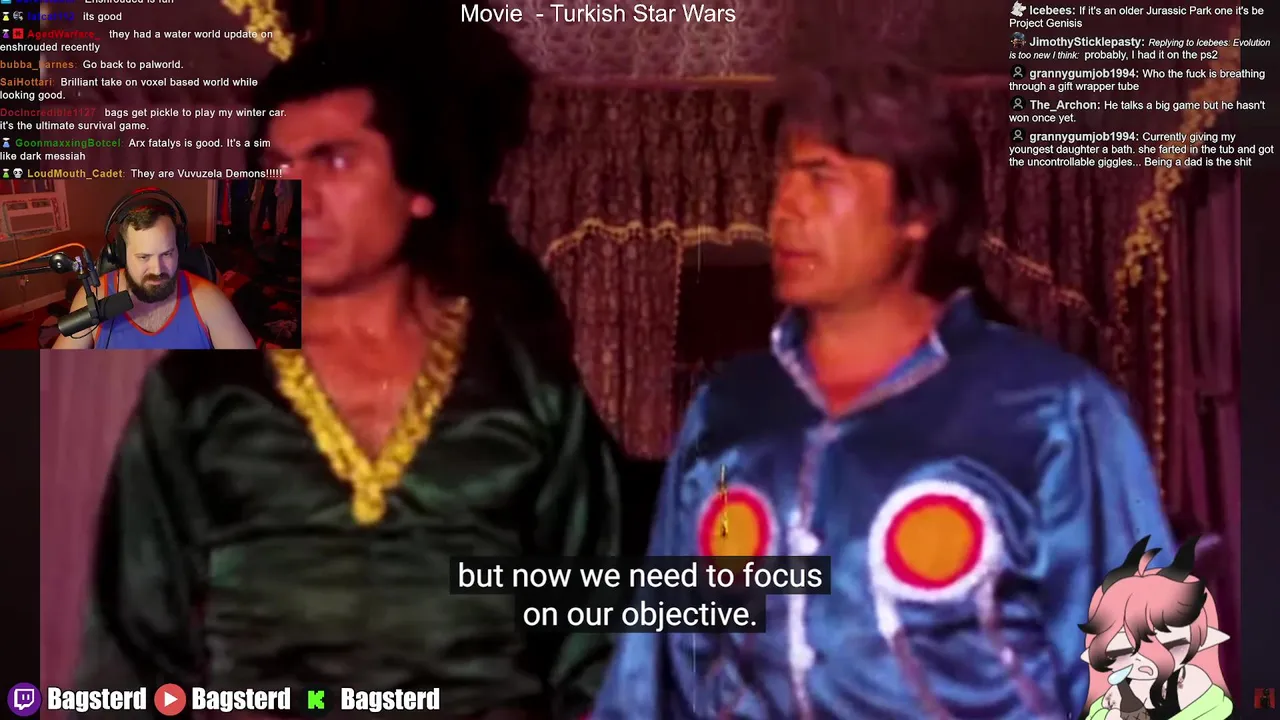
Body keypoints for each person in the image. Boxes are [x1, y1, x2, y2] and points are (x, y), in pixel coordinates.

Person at [592, 58, 1176, 719]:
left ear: (918, 210)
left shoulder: (1056, 409)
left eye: (822, 177)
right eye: (783, 176)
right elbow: (656, 669)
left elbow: (1153, 683)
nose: (784, 206)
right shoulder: (729, 409)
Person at [73, 33, 620, 720]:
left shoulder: (525, 384)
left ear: (418, 188)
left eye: (334, 160)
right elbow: (128, 646)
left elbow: (595, 637)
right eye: (278, 166)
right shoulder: (201, 387)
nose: (296, 196)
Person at [52, 202, 256, 350]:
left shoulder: (208, 300)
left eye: (167, 254)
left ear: (179, 248)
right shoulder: (95, 297)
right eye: (144, 257)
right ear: (121, 255)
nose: (158, 270)